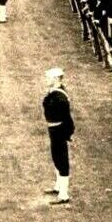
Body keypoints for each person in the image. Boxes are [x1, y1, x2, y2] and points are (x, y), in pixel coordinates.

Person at [42, 68, 75, 205]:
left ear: (56, 79)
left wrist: (67, 133)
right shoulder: (54, 93)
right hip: (54, 129)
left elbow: (67, 118)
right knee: (56, 157)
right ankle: (58, 186)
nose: (46, 80)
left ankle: (64, 194)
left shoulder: (59, 97)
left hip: (59, 130)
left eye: (49, 78)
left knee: (62, 160)